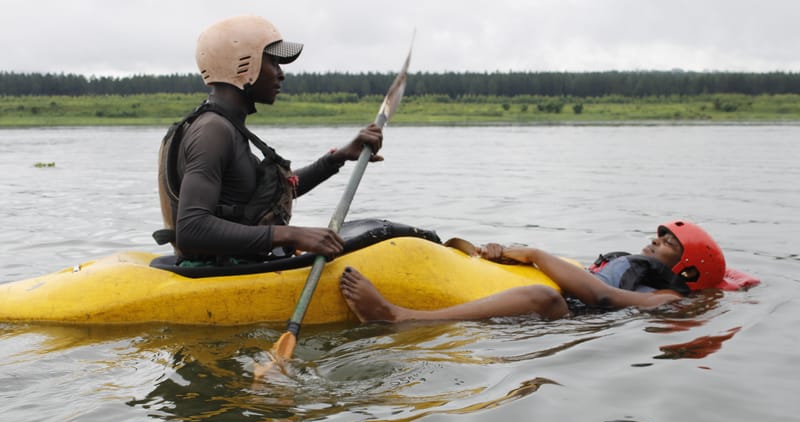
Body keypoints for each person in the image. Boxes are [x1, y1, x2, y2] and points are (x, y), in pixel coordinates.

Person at [156, 15, 383, 263]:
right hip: (221, 273)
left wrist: (337, 158)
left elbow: (270, 196)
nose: (280, 74)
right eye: (273, 62)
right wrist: (290, 235)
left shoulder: (227, 126)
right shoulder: (213, 131)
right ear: (244, 65)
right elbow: (192, 229)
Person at [339, 220, 741, 323]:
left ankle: (399, 316)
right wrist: (500, 255)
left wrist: (531, 252)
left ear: (687, 271)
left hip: (570, 320)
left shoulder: (670, 297)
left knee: (545, 298)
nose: (655, 241)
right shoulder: (620, 264)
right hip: (553, 301)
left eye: (668, 243)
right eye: (658, 235)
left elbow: (604, 298)